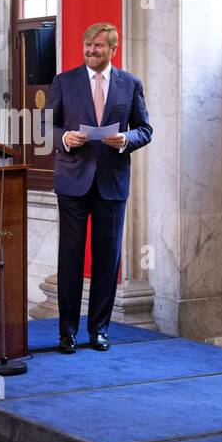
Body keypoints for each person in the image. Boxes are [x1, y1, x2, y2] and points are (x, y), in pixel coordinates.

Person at [49, 22, 153, 354]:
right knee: (70, 259)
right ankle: (67, 332)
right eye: (87, 46)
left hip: (112, 182)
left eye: (98, 46)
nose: (91, 51)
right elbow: (43, 126)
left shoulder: (130, 83)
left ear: (113, 49)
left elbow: (145, 128)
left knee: (107, 259)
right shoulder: (64, 81)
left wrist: (126, 139)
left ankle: (99, 330)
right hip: (73, 181)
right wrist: (64, 138)